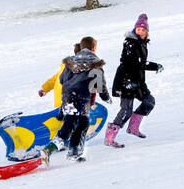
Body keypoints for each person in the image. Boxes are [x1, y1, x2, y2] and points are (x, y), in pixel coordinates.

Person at [105, 14, 163, 146]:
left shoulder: (141, 43)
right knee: (126, 110)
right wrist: (154, 66)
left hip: (138, 82)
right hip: (127, 81)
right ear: (134, 30)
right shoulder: (130, 43)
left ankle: (133, 127)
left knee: (149, 102)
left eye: (143, 30)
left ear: (147, 32)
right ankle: (110, 137)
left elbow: (139, 64)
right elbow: (135, 63)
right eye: (138, 29)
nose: (140, 32)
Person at [52, 37, 111, 162]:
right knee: (83, 124)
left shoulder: (70, 62)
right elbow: (99, 86)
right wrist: (106, 97)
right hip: (81, 98)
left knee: (69, 124)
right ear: (94, 48)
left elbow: (62, 79)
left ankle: (49, 148)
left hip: (67, 96)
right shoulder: (95, 63)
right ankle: (74, 153)